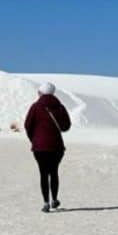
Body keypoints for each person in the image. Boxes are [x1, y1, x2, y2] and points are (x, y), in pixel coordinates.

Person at [24, 82, 71, 213]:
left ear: (40, 93)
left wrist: (34, 139)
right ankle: (54, 200)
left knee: (43, 173)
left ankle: (46, 203)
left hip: (40, 148)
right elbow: (66, 126)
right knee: (54, 172)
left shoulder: (35, 107)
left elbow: (27, 125)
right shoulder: (60, 107)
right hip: (57, 147)